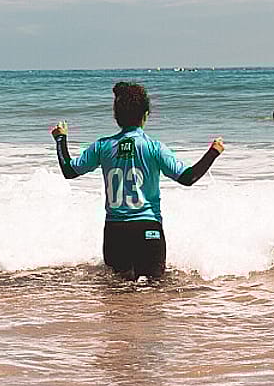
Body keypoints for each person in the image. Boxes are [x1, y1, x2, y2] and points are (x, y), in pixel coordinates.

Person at [51, 81, 225, 281]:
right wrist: (214, 152)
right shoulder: (154, 148)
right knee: (154, 293)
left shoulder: (102, 146)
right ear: (146, 115)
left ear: (116, 116)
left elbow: (69, 170)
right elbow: (188, 178)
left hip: (115, 232)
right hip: (148, 229)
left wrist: (60, 139)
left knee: (116, 295)